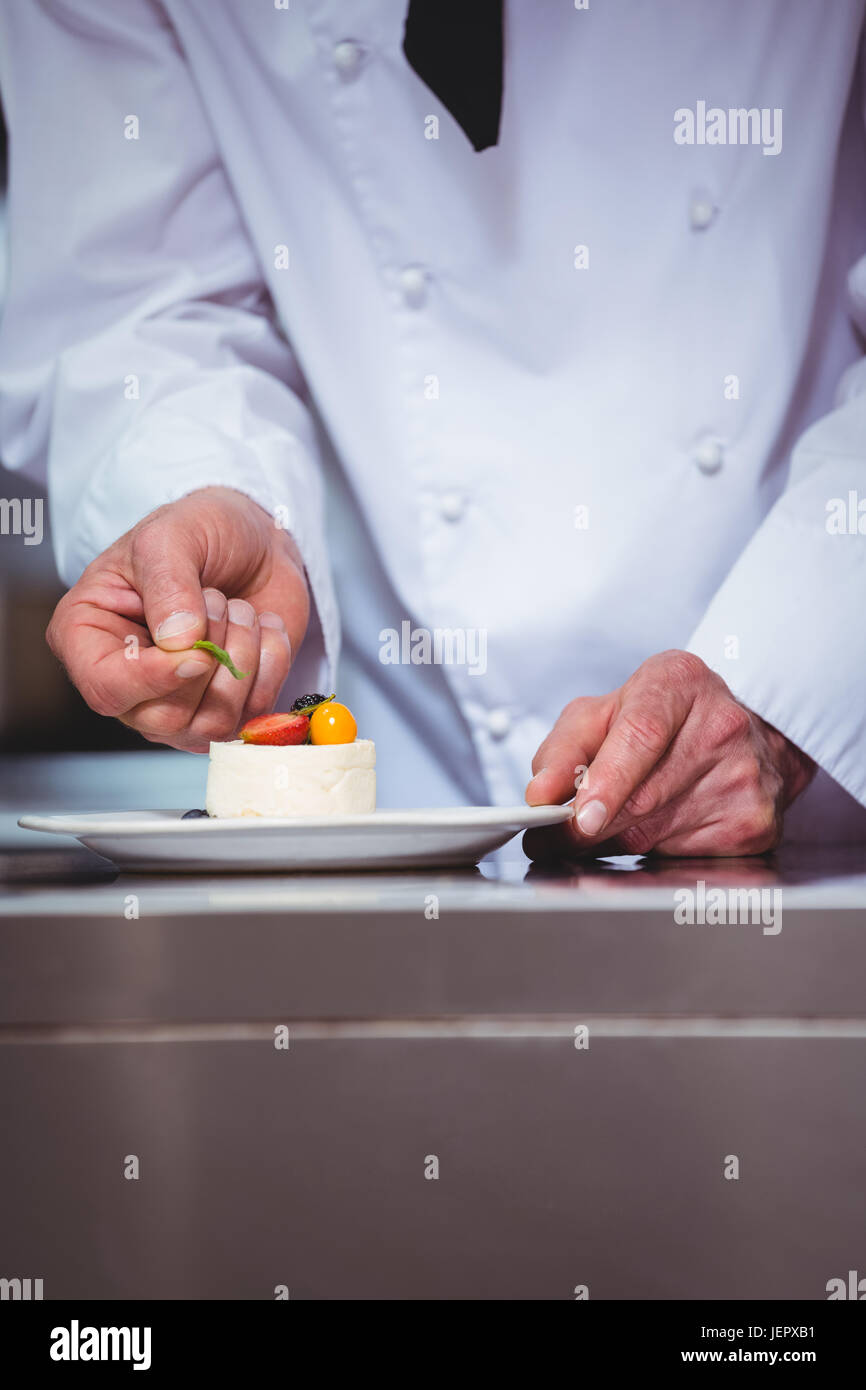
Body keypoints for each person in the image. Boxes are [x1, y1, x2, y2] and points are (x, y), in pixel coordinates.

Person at [1, 0, 865, 856]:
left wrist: (781, 687)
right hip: (392, 821)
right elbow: (141, 294)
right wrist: (205, 489)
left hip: (819, 814)